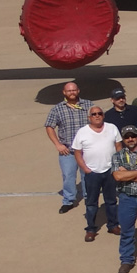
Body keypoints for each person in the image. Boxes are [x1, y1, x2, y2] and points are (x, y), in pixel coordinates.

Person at [72, 105, 120, 241]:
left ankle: (113, 225)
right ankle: (91, 229)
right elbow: (77, 152)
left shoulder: (112, 128)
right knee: (91, 203)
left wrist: (116, 166)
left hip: (110, 171)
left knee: (111, 201)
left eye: (100, 113)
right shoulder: (82, 132)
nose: (97, 116)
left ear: (103, 115)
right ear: (89, 117)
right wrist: (86, 169)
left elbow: (118, 146)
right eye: (94, 114)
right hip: (92, 173)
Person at [111, 126, 137, 273]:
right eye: (127, 137)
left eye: (133, 136)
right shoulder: (118, 156)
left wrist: (128, 173)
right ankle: (127, 259)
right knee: (127, 230)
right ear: (123, 139)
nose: (130, 139)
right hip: (127, 197)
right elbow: (117, 177)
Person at [47, 82, 94, 213]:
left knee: (87, 175)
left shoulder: (89, 105)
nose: (72, 92)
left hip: (86, 150)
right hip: (67, 151)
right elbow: (49, 126)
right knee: (68, 176)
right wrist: (58, 144)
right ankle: (68, 200)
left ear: (78, 91)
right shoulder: (57, 109)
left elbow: (98, 120)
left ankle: (89, 199)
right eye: (69, 91)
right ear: (64, 92)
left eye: (74, 90)